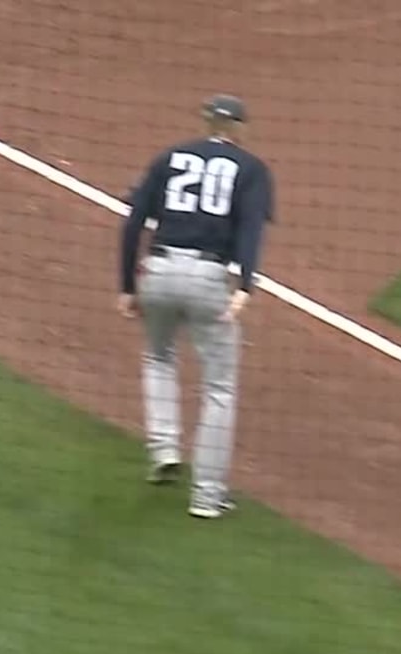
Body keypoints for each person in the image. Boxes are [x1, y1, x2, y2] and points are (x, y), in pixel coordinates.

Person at [118, 94, 274, 518]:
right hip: (209, 280)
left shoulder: (170, 157)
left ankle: (165, 448)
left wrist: (128, 285)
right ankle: (207, 497)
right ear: (240, 129)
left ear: (207, 123)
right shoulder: (253, 170)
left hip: (159, 270)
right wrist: (245, 285)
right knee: (219, 389)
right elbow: (249, 231)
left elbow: (133, 221)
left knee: (158, 358)